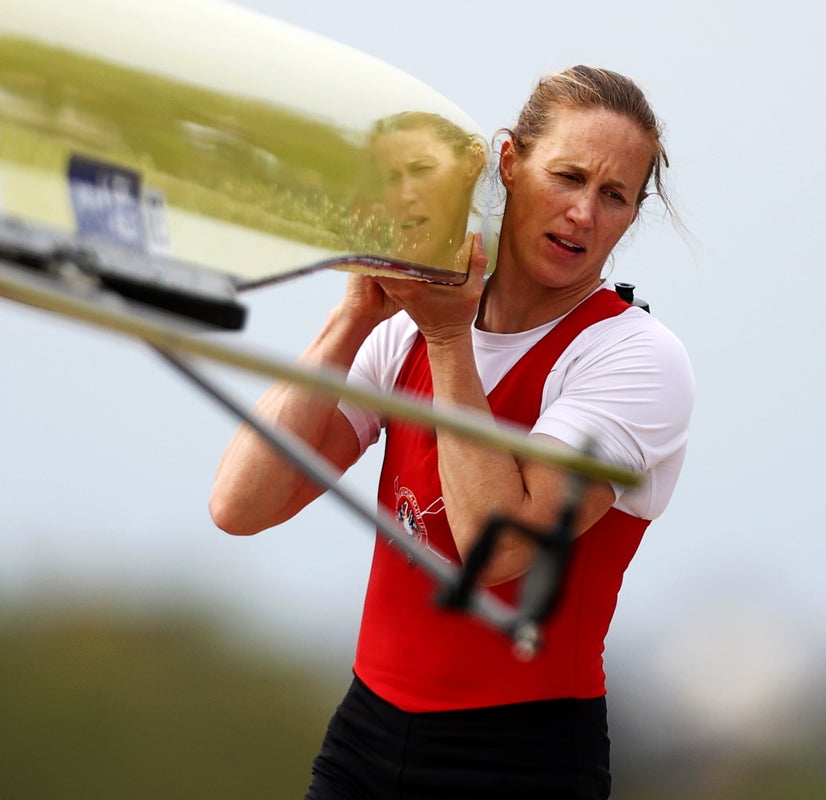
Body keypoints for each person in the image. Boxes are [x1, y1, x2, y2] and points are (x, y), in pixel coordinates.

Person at [209, 65, 695, 800]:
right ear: (511, 163)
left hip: (521, 757)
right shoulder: (409, 324)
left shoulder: (632, 358)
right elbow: (241, 505)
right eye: (568, 177)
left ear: (632, 215)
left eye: (614, 196)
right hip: (366, 737)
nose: (583, 214)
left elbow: (498, 551)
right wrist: (353, 317)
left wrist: (447, 339)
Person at [366, 111, 487, 270]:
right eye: (391, 179)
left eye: (421, 169)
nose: (405, 196)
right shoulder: (365, 274)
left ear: (471, 163)